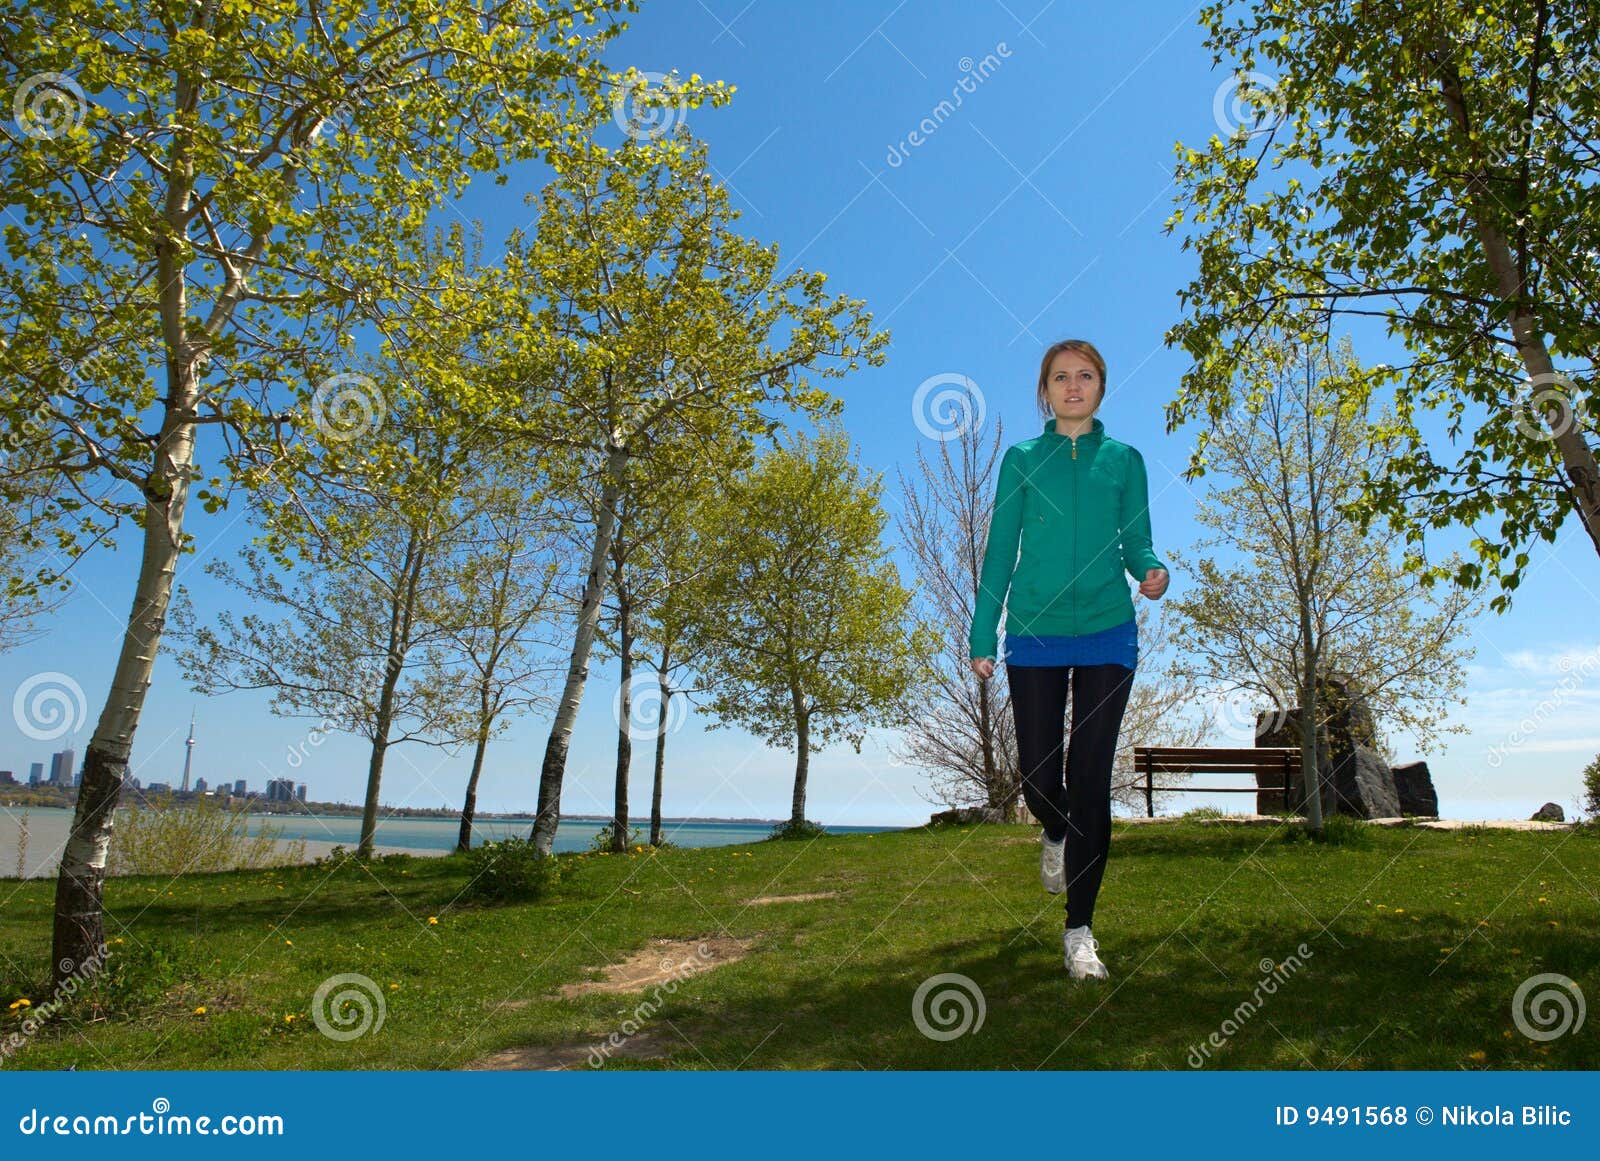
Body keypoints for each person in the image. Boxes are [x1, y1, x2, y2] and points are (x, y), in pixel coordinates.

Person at [968, 339, 1169, 982]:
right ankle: (1053, 832)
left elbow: (1136, 540)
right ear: (1045, 391)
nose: (1073, 386)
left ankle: (1079, 931)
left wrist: (1151, 570)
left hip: (1109, 631)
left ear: (1101, 388)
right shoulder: (1021, 460)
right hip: (1035, 633)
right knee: (1037, 777)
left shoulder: (1125, 460)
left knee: (1089, 782)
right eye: (1061, 377)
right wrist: (981, 633)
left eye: (1085, 376)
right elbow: (1000, 550)